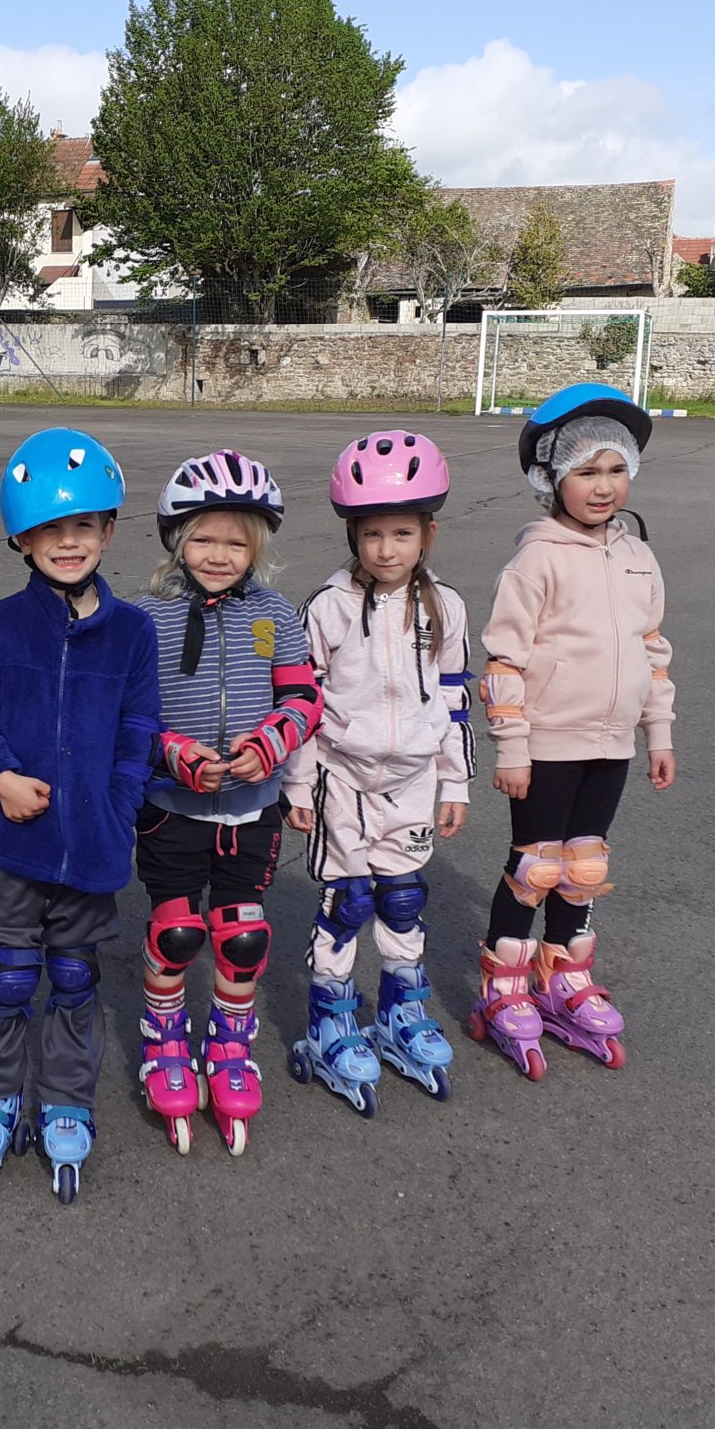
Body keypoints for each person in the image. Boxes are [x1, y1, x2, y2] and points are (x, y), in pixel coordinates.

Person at [0, 428, 162, 1204]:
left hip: (96, 844)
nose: (68, 543)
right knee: (11, 978)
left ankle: (67, 1096)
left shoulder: (133, 631)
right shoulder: (2, 626)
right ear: (21, 536)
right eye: (50, 529)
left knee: (74, 978)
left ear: (108, 531)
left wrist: (121, 803)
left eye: (83, 527)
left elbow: (139, 730)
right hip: (15, 842)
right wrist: (1, 772)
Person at [474, 383, 678, 1079]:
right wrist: (512, 745)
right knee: (536, 866)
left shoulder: (637, 556)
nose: (603, 487)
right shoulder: (537, 559)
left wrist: (660, 734)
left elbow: (654, 649)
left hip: (613, 741)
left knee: (585, 864)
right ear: (550, 479)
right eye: (586, 472)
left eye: (615, 470)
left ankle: (564, 975)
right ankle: (503, 986)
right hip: (549, 742)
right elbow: (504, 658)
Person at [131, 451, 320, 1156]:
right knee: (177, 932)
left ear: (258, 547)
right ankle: (166, 1041)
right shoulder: (144, 617)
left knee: (242, 939)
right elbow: (130, 715)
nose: (219, 554)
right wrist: (173, 751)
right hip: (172, 809)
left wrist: (272, 741)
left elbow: (302, 698)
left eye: (236, 541)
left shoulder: (273, 616)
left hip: (253, 808)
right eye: (204, 538)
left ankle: (231, 1047)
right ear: (175, 539)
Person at [283, 431, 473, 1113]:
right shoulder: (328, 606)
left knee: (401, 896)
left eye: (401, 532)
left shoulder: (445, 606)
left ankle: (401, 1008)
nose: (386, 549)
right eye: (371, 535)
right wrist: (298, 785)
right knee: (350, 900)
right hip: (343, 777)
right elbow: (304, 704)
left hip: (415, 779)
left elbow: (454, 698)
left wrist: (456, 781)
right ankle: (329, 1016)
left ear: (429, 532)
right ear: (352, 535)